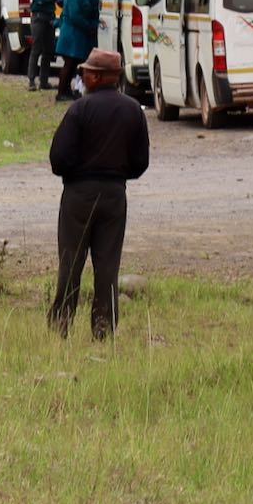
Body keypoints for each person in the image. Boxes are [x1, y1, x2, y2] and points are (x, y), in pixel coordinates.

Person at [47, 48, 149, 339]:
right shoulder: (133, 110)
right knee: (107, 267)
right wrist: (115, 175)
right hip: (115, 195)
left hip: (79, 194)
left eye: (86, 71)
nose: (82, 75)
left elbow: (58, 159)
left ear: (98, 76)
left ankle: (60, 328)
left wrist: (81, 173)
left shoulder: (80, 109)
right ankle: (103, 331)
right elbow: (140, 163)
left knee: (71, 263)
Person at [54, 0, 102, 98]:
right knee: (68, 65)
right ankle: (61, 92)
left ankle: (66, 91)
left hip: (74, 36)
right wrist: (90, 26)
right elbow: (75, 16)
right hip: (72, 36)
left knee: (71, 65)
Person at [26, 0, 63, 92]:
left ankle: (44, 80)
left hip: (50, 17)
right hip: (39, 17)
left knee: (49, 50)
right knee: (36, 49)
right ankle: (31, 80)